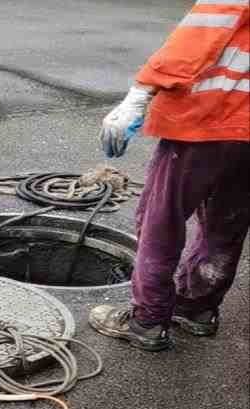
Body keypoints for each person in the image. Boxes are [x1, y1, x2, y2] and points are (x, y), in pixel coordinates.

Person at [90, 0, 249, 351]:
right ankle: (198, 309)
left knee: (161, 223)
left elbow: (194, 41)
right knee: (226, 226)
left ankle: (147, 320)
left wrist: (140, 92)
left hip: (204, 125)